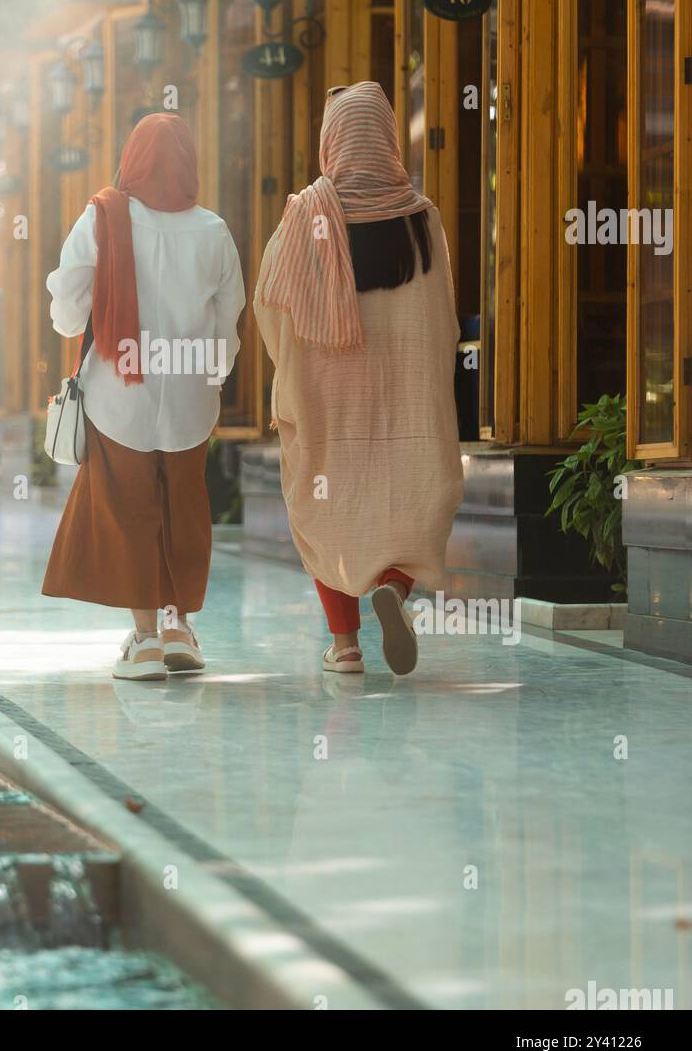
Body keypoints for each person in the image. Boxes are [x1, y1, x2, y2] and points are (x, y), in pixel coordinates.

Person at [254, 82, 463, 676]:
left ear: (332, 142)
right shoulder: (424, 220)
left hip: (331, 405)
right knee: (410, 503)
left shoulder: (305, 216)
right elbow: (441, 313)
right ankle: (394, 591)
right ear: (388, 140)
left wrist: (295, 373)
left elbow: (270, 305)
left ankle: (345, 646)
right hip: (406, 406)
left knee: (331, 510)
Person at [42, 112, 246, 681]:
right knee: (182, 509)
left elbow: (67, 305)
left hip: (118, 395)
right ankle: (180, 627)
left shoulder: (103, 215)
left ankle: (147, 640)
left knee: (130, 510)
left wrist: (80, 318)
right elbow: (228, 321)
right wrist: (214, 374)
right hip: (189, 394)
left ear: (132, 158)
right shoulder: (214, 230)